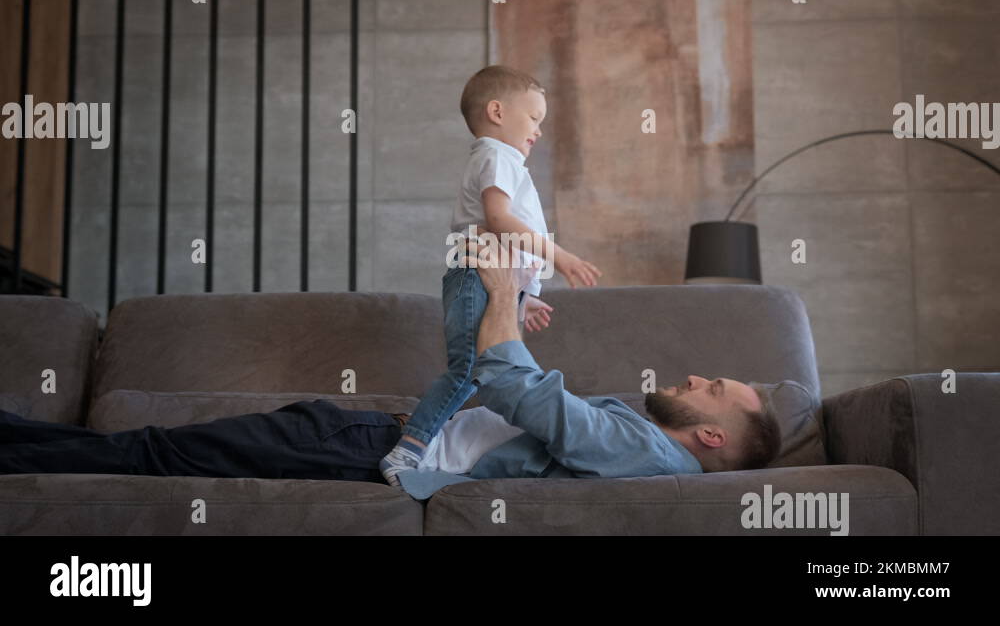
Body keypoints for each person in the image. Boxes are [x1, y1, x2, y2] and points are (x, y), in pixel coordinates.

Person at [0, 238, 783, 502]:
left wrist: (502, 290)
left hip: (362, 454)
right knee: (156, 451)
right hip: (375, 436)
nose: (694, 378)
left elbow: (519, 388)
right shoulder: (638, 440)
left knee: (155, 454)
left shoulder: (645, 452)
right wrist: (505, 310)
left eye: (710, 389)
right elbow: (524, 393)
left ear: (713, 436)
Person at [378, 64, 604, 486]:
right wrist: (560, 256)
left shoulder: (505, 161)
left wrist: (523, 296)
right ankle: (407, 451)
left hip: (492, 282)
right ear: (498, 112)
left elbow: (508, 236)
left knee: (495, 374)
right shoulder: (496, 155)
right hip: (476, 277)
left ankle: (447, 454)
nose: (538, 130)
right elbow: (498, 220)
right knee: (467, 371)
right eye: (533, 117)